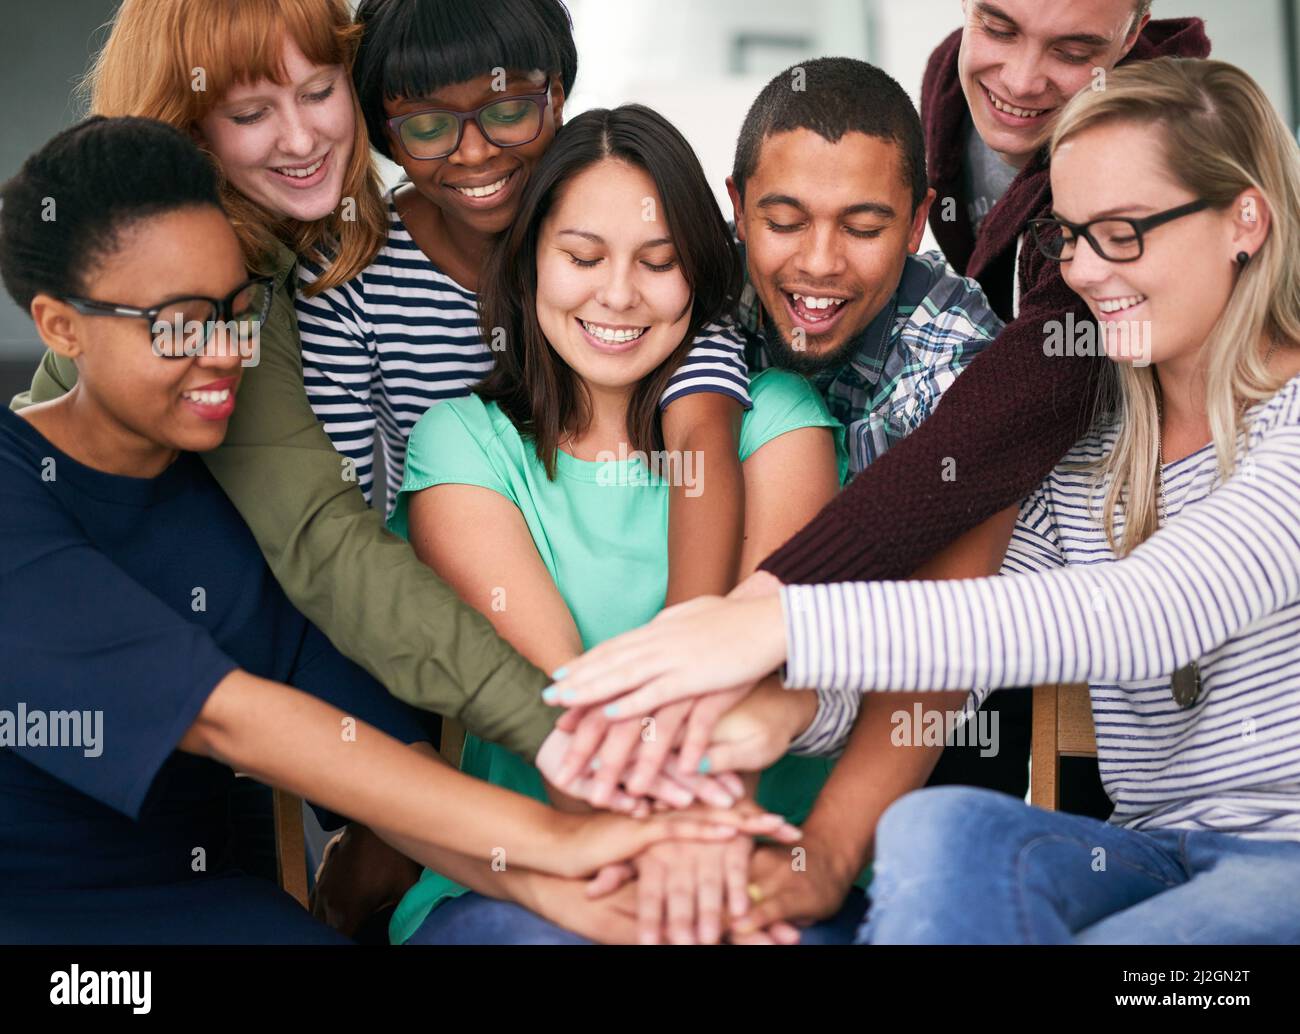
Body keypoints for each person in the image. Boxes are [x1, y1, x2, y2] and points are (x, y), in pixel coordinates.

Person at [546, 57, 1300, 944]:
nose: (1089, 274)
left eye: (1125, 234)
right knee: (934, 828)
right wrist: (774, 712)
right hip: (1146, 854)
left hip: (1282, 859)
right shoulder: (1093, 447)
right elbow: (957, 634)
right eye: (1072, 238)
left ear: (1245, 219)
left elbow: (1142, 613)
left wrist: (771, 623)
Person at [0, 116, 787, 944]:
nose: (226, 350)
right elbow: (226, 716)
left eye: (238, 312)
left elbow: (388, 773)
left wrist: (565, 891)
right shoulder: (16, 499)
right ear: (60, 327)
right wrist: (566, 835)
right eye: (181, 322)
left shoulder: (246, 516)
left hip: (207, 910)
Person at [387, 104, 850, 944]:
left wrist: (698, 864)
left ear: (700, 275)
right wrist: (651, 855)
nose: (618, 295)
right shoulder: (462, 444)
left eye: (659, 262)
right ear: (528, 265)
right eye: (581, 257)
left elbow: (737, 672)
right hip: (533, 885)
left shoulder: (780, 423)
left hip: (748, 872)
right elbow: (567, 701)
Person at [298, 0, 752, 609]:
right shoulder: (348, 274)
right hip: (446, 606)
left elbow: (703, 415)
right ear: (385, 134)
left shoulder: (645, 221)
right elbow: (348, 516)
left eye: (508, 112)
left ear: (556, 97)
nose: (476, 153)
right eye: (429, 128)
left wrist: (685, 637)